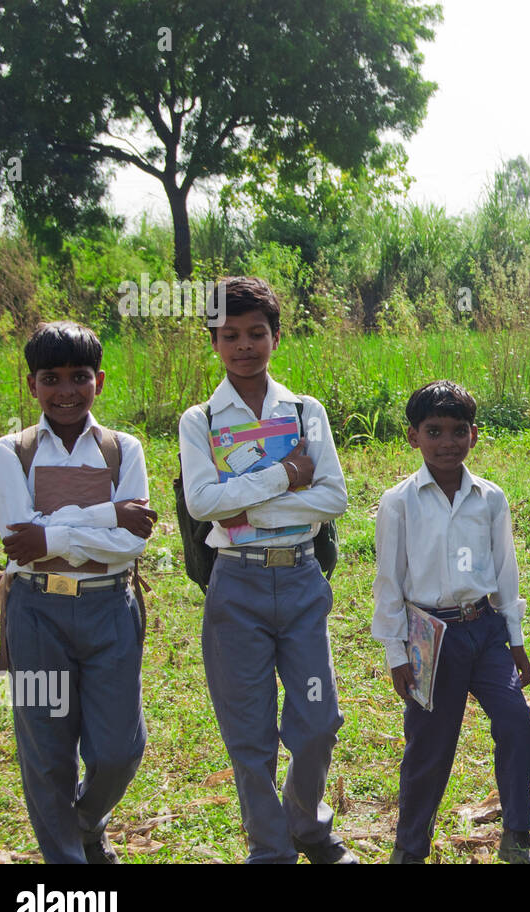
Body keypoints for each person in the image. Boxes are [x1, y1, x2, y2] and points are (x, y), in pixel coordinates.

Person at [179, 276, 353, 864]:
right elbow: (202, 503)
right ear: (214, 342)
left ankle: (306, 823)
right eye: (229, 335)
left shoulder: (305, 411)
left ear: (276, 336)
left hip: (302, 579)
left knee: (319, 719)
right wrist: (285, 475)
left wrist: (245, 500)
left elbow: (332, 498)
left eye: (256, 333)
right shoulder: (200, 420)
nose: (244, 345)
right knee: (248, 734)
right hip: (237, 585)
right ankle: (269, 848)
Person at [0, 321, 156, 863]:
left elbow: (130, 545)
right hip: (36, 610)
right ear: (31, 384)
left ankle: (83, 821)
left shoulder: (122, 449)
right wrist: (108, 515)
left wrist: (52, 530)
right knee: (47, 753)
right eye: (51, 377)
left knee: (119, 750)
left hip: (110, 605)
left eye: (79, 376)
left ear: (99, 381)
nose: (66, 390)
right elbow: (20, 546)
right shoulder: (11, 452)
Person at [372, 380, 530, 864]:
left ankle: (516, 836)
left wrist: (515, 639)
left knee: (516, 725)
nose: (447, 442)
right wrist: (396, 652)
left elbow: (506, 572)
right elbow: (389, 582)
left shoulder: (490, 499)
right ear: (413, 437)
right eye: (434, 430)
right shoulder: (399, 501)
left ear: (474, 434)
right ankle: (410, 849)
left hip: (483, 628)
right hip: (429, 634)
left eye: (458, 431)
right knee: (429, 746)